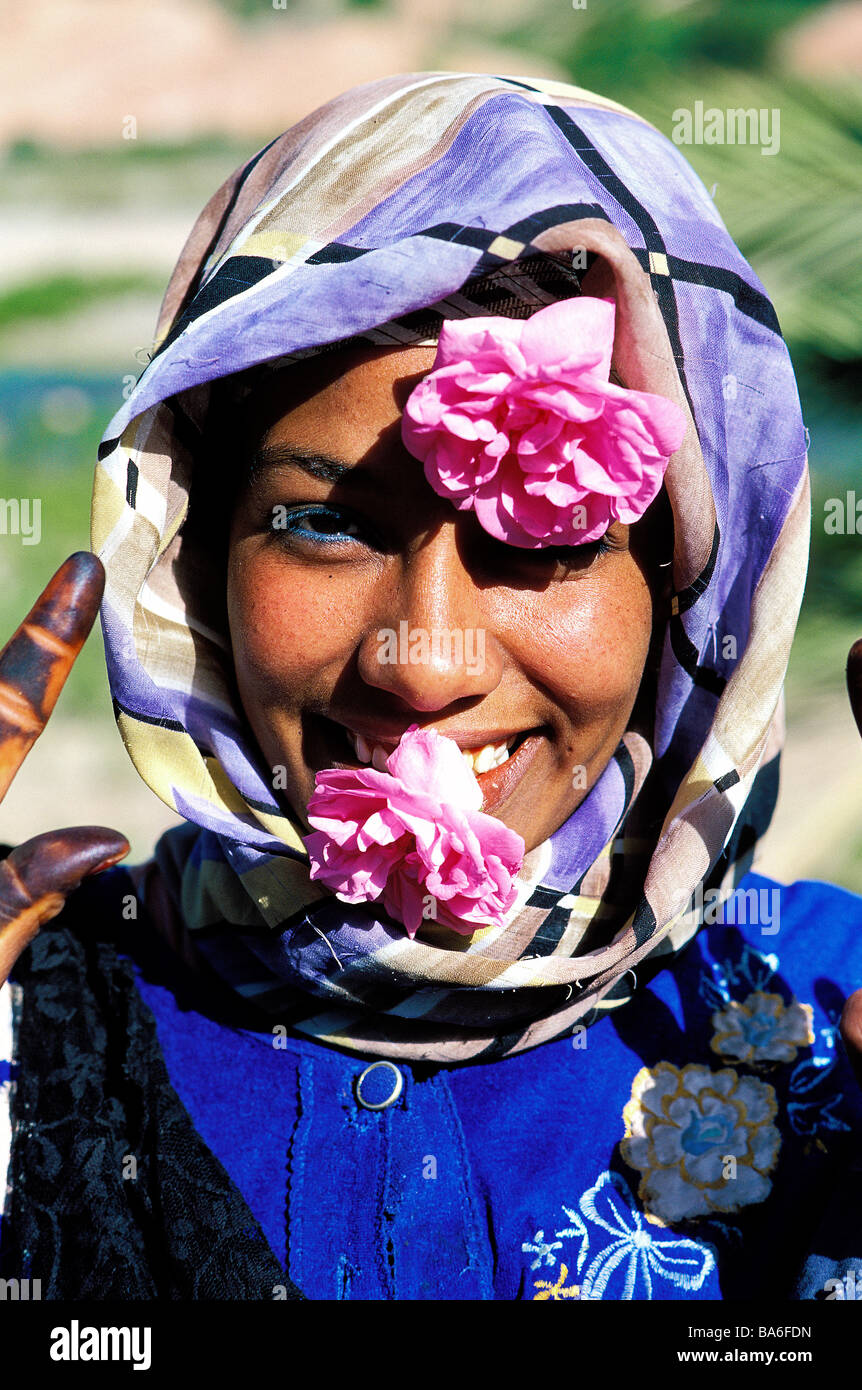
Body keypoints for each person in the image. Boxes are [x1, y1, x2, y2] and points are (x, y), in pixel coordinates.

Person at [1, 70, 862, 1302]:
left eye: (545, 540)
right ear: (191, 562)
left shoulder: (819, 1005)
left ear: (685, 586)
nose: (428, 660)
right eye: (324, 525)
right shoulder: (37, 1011)